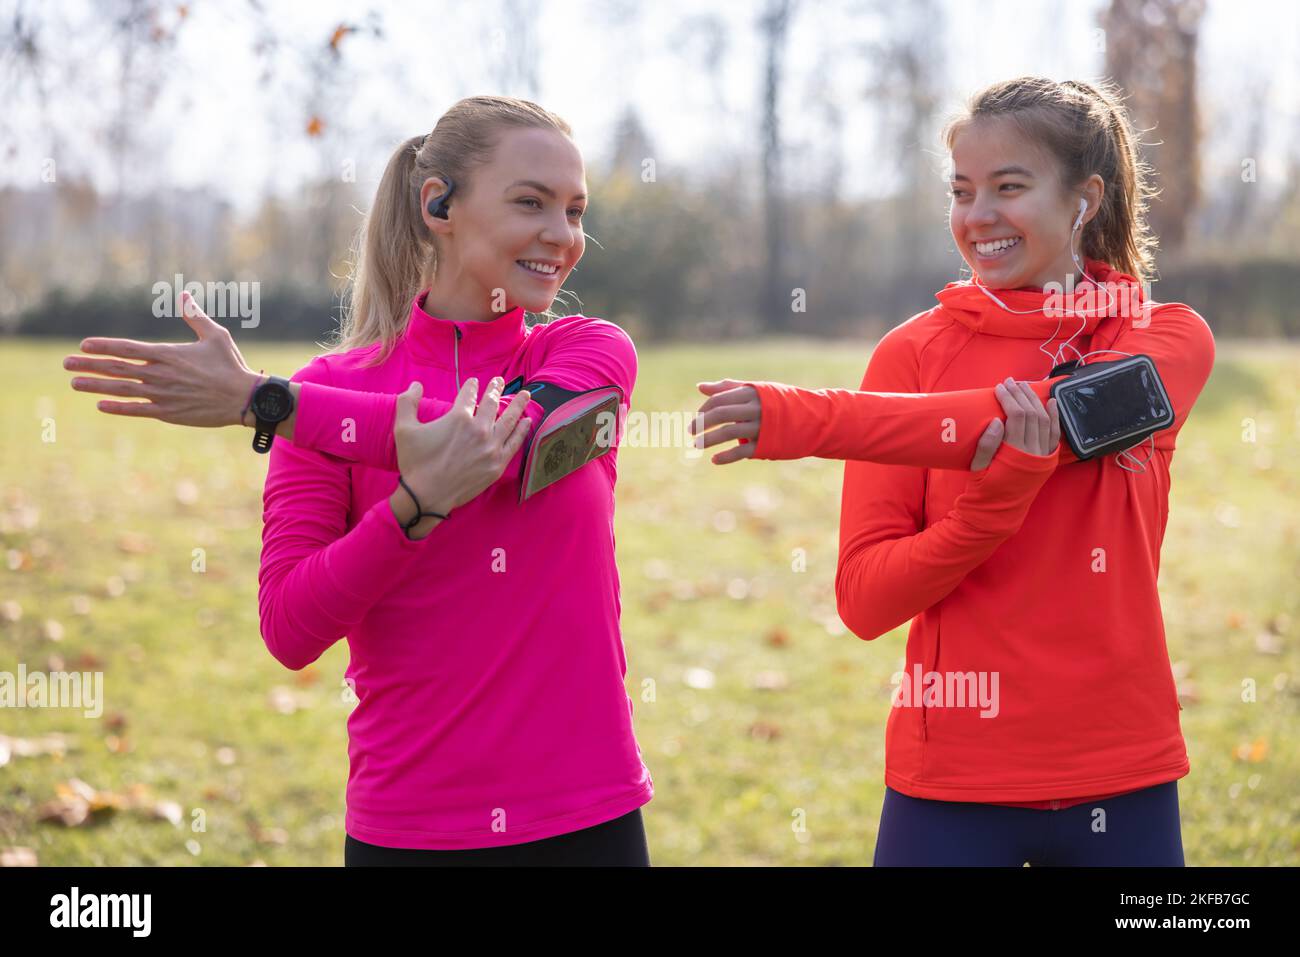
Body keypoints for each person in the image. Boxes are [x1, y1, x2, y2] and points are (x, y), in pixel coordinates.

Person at [64, 96, 653, 866]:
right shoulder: (332, 388)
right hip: (408, 827)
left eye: (574, 210)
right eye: (530, 203)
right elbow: (291, 627)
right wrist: (413, 510)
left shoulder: (587, 353)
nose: (562, 235)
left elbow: (503, 440)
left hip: (587, 817)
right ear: (437, 203)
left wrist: (264, 402)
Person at [690, 76, 1215, 866]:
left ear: (1084, 198)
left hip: (1122, 769)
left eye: (1010, 187)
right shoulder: (910, 355)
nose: (978, 216)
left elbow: (1043, 417)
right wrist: (989, 510)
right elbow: (866, 600)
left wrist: (805, 417)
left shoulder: (1165, 339)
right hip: (952, 782)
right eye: (962, 191)